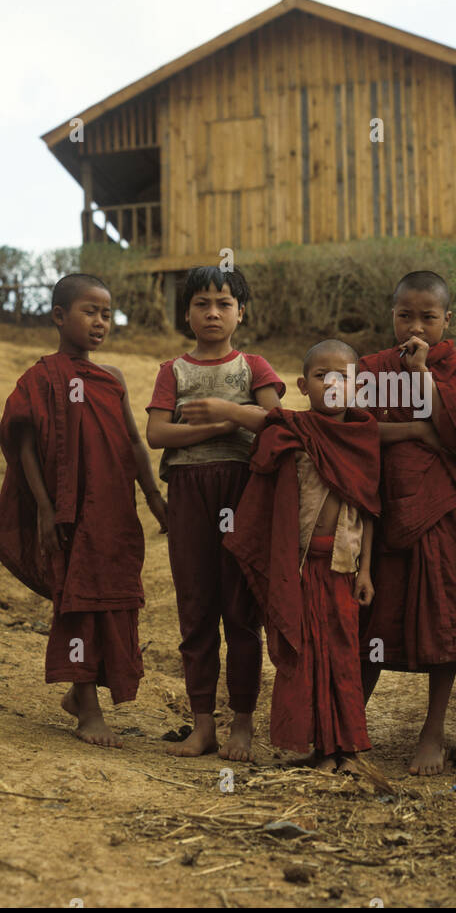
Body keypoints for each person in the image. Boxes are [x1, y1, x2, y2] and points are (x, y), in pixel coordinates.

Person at [0, 273, 167, 748]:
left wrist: (153, 496)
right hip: (69, 512)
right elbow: (24, 447)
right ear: (58, 316)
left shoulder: (112, 378)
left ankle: (78, 693)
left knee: (114, 595)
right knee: (77, 599)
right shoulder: (41, 378)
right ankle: (88, 710)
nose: (100, 322)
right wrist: (46, 511)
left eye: (107, 314)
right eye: (89, 311)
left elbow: (132, 439)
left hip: (113, 509)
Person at [357, 271, 456, 775]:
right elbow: (352, 429)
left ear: (446, 320)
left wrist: (421, 377)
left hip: (436, 512)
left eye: (428, 317)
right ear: (390, 315)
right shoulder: (369, 368)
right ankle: (352, 725)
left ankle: (432, 732)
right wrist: (415, 428)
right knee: (369, 621)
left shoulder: (454, 367)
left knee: (443, 618)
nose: (416, 326)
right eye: (405, 315)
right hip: (381, 508)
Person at [144, 265, 283, 762]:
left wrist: (227, 414)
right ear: (186, 313)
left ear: (241, 313)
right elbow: (158, 435)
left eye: (224, 304)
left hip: (243, 494)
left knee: (242, 613)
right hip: (188, 494)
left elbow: (277, 424)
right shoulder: (173, 372)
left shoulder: (254, 368)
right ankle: (202, 726)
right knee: (196, 610)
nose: (212, 312)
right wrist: (220, 428)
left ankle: (242, 726)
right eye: (201, 303)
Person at [224, 340, 381, 774]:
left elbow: (369, 510)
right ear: (301, 385)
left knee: (344, 656)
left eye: (343, 377)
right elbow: (266, 499)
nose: (332, 384)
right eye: (321, 376)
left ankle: (346, 748)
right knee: (304, 653)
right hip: (299, 566)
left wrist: (366, 570)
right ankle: (320, 749)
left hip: (344, 568)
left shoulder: (362, 439)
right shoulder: (291, 435)